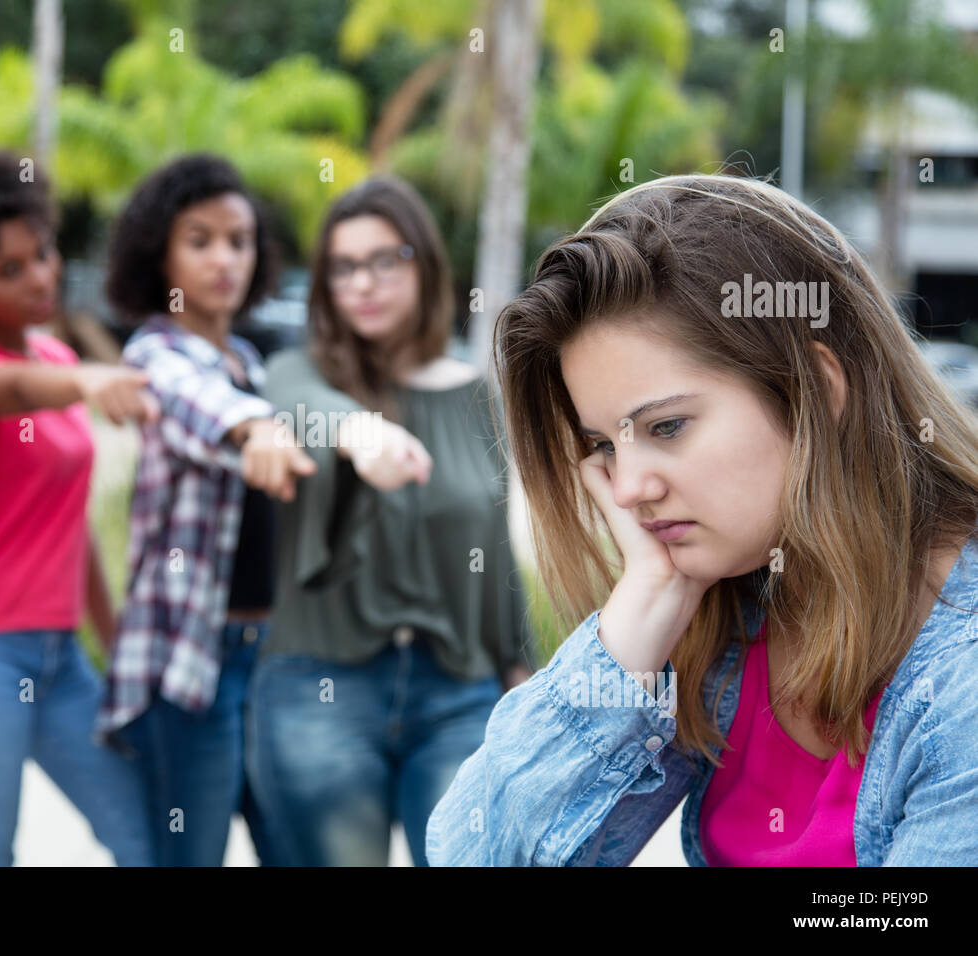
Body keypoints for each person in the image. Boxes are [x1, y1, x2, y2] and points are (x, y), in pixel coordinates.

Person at [427, 173, 978, 866]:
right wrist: (644, 608)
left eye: (667, 426)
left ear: (819, 391)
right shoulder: (730, 616)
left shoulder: (961, 680)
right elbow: (478, 856)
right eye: (603, 444)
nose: (626, 488)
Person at [246, 176, 540, 866]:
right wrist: (362, 434)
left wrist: (521, 670)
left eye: (385, 259)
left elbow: (495, 553)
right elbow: (302, 411)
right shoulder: (293, 373)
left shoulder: (474, 394)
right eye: (343, 267)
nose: (363, 282)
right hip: (323, 688)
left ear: (425, 264)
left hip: (458, 691)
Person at [0, 143, 160, 866]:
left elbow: (70, 528)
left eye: (41, 254)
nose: (38, 277)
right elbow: (2, 392)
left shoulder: (60, 361)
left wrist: (113, 645)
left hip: (60, 656)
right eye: (7, 270)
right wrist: (83, 387)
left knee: (143, 835)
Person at [94, 154, 316, 866]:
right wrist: (258, 431)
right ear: (159, 253)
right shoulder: (154, 355)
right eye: (201, 240)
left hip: (269, 656)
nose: (224, 258)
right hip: (191, 664)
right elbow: (201, 408)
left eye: (239, 239)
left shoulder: (251, 360)